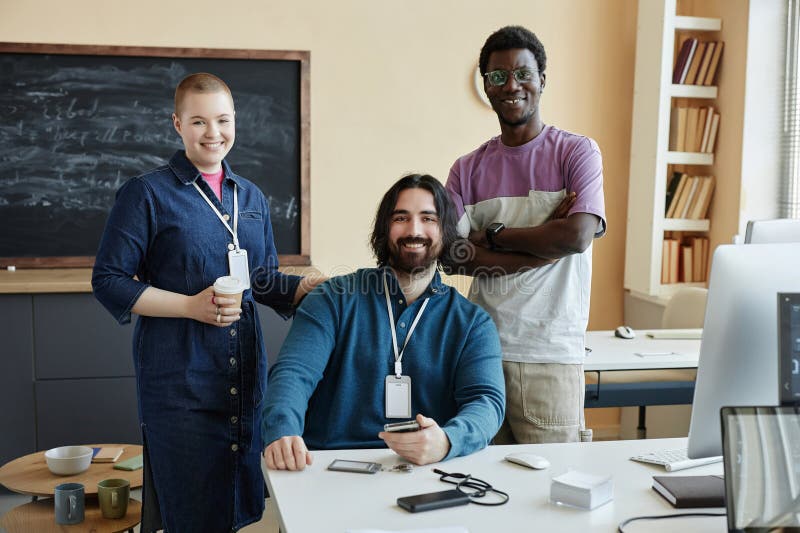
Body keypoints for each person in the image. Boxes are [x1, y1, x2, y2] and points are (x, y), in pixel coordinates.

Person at [92, 73, 320, 532]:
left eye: (222, 120)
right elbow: (109, 280)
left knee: (232, 510)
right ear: (177, 124)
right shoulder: (147, 193)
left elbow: (260, 280)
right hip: (181, 383)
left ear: (236, 121)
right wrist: (190, 307)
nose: (213, 133)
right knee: (191, 513)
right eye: (199, 121)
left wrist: (303, 288)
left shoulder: (250, 196)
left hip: (241, 378)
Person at [262, 174, 505, 470]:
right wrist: (283, 428)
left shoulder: (472, 323)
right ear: (384, 228)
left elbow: (486, 401)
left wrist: (448, 440)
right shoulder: (333, 298)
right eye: (401, 218)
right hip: (330, 467)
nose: (414, 230)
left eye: (428, 219)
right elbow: (294, 372)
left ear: (446, 231)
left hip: (428, 471)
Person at [445, 26, 606, 444]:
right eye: (497, 76)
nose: (511, 85)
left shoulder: (577, 153)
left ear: (542, 80)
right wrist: (542, 243)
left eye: (523, 73)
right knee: (479, 488)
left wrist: (492, 236)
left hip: (550, 355)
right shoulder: (466, 168)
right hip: (480, 350)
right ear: (486, 85)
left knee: (551, 495)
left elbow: (575, 237)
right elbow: (452, 256)